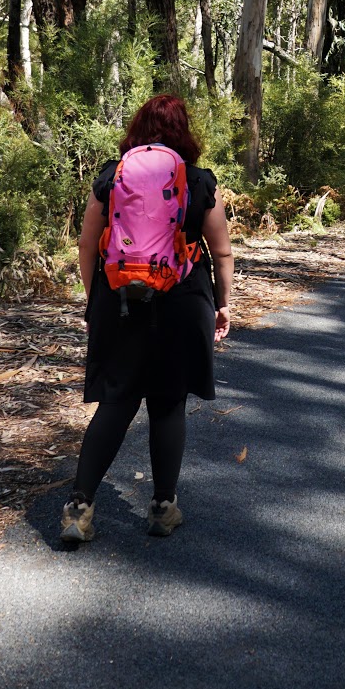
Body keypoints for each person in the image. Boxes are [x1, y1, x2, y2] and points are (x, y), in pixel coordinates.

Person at [60, 94, 233, 544]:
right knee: (168, 402)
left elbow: (86, 244)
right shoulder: (198, 183)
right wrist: (223, 303)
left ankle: (79, 508)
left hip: (118, 301)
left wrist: (95, 298)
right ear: (184, 134)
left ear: (136, 132)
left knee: (116, 401)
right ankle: (162, 508)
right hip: (182, 301)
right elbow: (222, 251)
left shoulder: (111, 179)